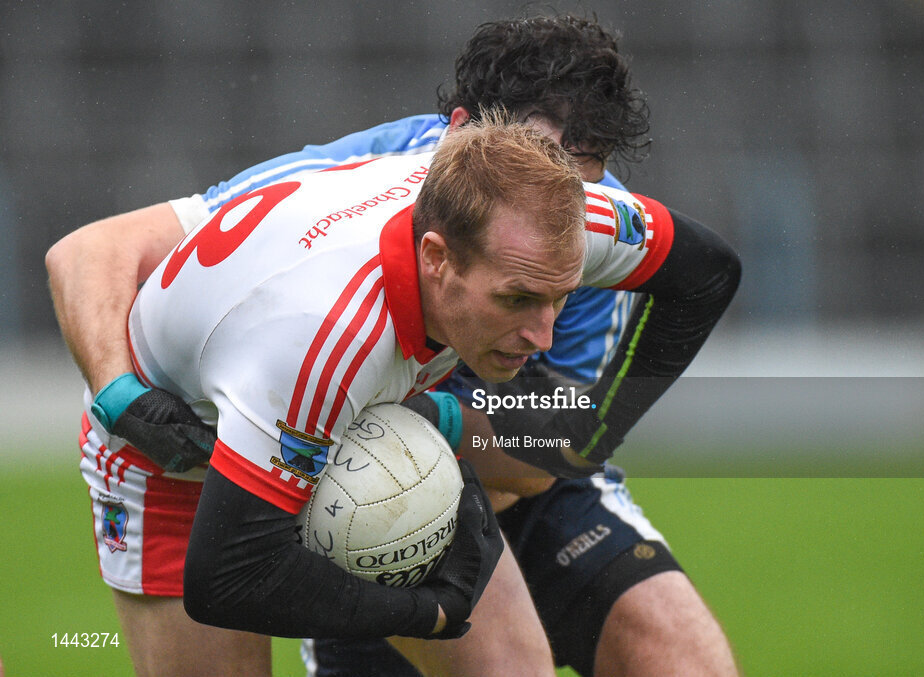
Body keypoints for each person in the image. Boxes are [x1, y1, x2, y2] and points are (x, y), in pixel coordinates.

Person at [46, 16, 741, 677]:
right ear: (458, 140)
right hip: (190, 448)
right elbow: (87, 252)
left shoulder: (572, 217)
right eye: (534, 162)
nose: (557, 200)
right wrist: (120, 396)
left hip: (429, 443)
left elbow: (539, 462)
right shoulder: (330, 310)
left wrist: (583, 433)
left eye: (575, 177)